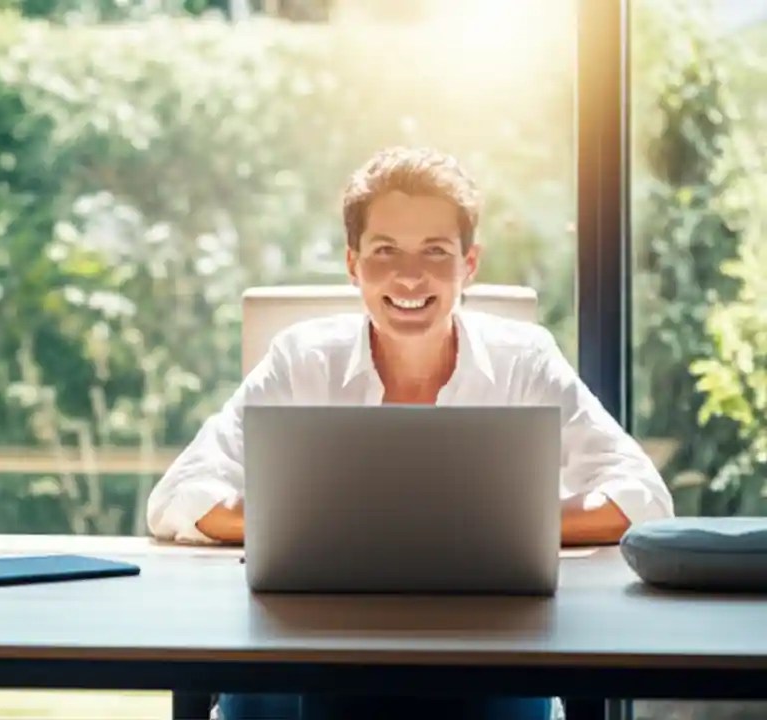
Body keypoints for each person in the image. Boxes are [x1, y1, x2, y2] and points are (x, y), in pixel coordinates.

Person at [146, 146, 675, 720]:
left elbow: (642, 498)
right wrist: (303, 528)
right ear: (353, 265)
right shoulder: (301, 358)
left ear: (468, 265)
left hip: (483, 654)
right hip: (307, 645)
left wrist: (504, 529)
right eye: (385, 251)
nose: (409, 275)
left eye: (435, 251)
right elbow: (179, 495)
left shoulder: (525, 358)